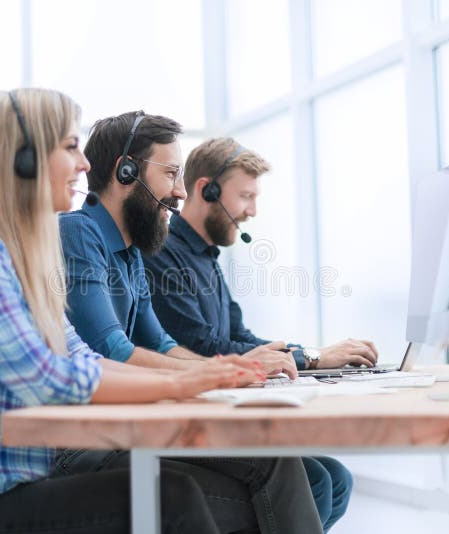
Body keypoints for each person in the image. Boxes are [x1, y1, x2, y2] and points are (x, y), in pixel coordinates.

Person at [0, 90, 321, 534]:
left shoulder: (18, 258)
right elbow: (46, 378)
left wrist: (206, 375)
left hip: (9, 486)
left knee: (186, 493)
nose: (85, 164)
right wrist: (183, 379)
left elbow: (83, 357)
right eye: (70, 147)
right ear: (24, 159)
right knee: (175, 499)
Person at [54, 111, 325, 532]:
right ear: (125, 171)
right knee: (276, 469)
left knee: (284, 465)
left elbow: (161, 344)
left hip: (126, 425)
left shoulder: (130, 252)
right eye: (170, 174)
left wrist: (224, 371)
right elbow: (112, 351)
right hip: (84, 439)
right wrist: (217, 375)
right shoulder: (78, 233)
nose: (180, 192)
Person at [143, 137, 380, 529]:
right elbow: (204, 346)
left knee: (336, 478)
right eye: (246, 197)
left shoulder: (206, 258)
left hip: (217, 408)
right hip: (192, 420)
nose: (252, 211)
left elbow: (240, 334)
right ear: (207, 190)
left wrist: (311, 356)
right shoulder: (165, 253)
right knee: (319, 482)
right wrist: (313, 358)